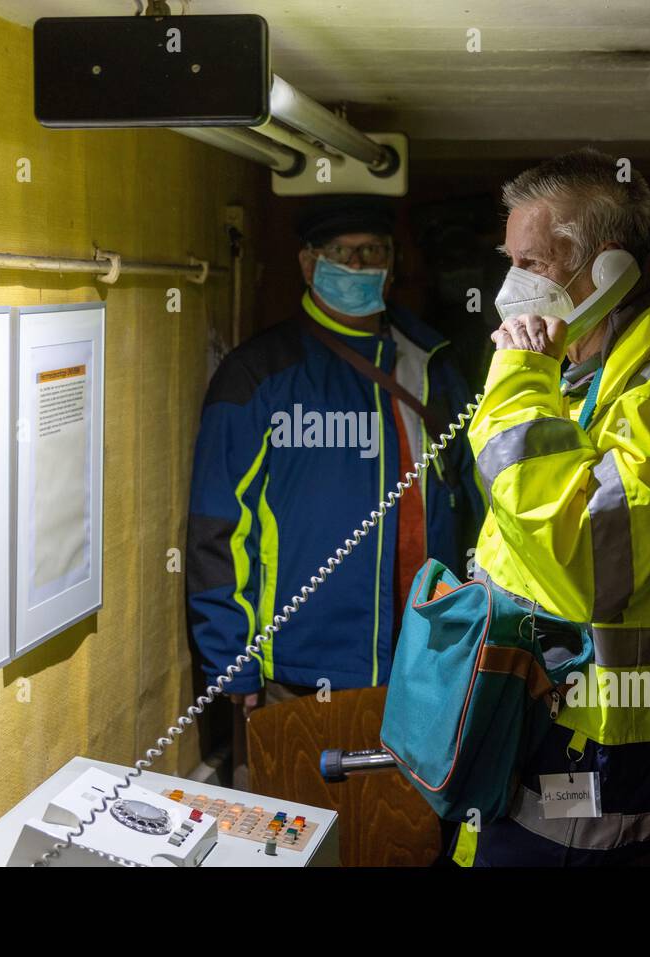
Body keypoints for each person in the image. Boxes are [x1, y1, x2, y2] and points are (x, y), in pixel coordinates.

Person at [463, 147, 650, 866]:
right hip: (568, 733)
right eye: (510, 262)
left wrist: (514, 383)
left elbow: (583, 563)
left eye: (533, 263)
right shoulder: (581, 380)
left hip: (644, 755)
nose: (513, 286)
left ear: (605, 270)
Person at [186, 196, 484, 787]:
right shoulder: (259, 374)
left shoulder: (432, 365)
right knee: (297, 823)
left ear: (393, 263)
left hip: (426, 660)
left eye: (371, 251)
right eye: (339, 253)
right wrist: (230, 661)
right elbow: (218, 528)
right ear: (307, 263)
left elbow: (474, 499)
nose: (357, 264)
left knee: (406, 832)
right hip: (299, 665)